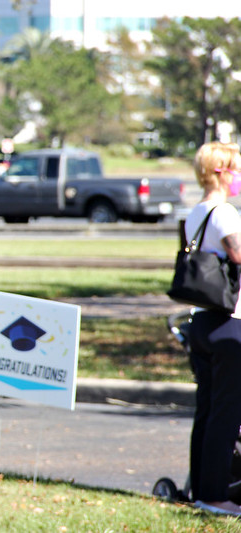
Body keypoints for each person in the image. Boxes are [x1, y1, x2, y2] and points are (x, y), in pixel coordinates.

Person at [185, 141, 241, 516]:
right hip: (228, 322)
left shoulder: (197, 212)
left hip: (202, 320)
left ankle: (201, 490)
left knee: (207, 411)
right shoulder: (225, 213)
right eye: (235, 169)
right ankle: (216, 495)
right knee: (227, 413)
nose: (238, 177)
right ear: (220, 171)